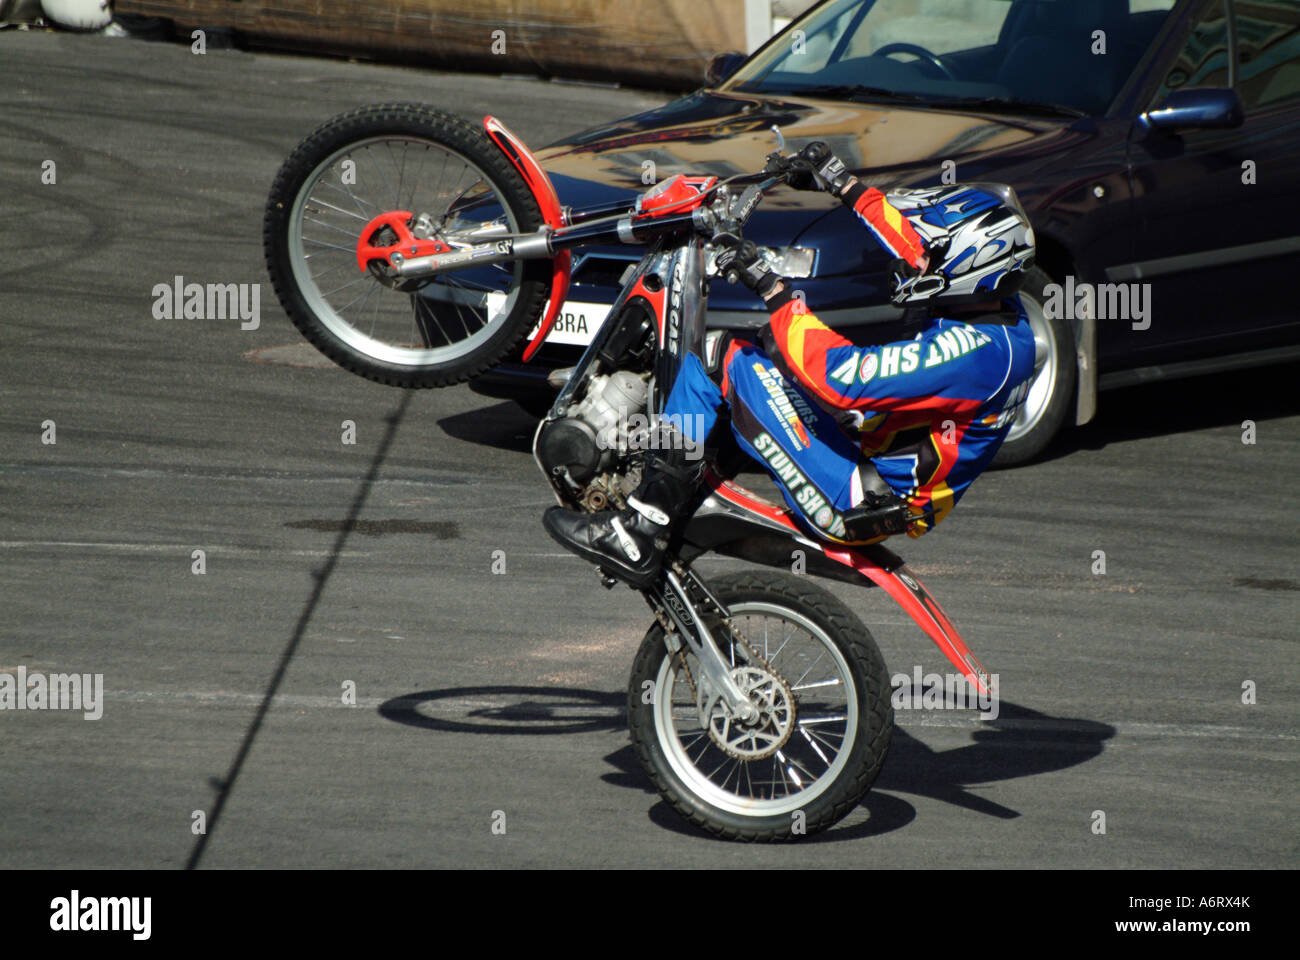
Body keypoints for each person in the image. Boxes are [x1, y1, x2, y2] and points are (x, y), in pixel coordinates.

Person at [543, 143, 1038, 588]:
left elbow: (841, 379)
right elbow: (913, 239)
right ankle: (678, 491)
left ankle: (640, 531)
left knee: (723, 361)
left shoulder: (978, 353)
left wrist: (771, 288)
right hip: (871, 464)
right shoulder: (997, 318)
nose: (912, 265)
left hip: (860, 500)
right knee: (764, 352)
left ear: (975, 266)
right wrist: (839, 181)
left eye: (929, 261)